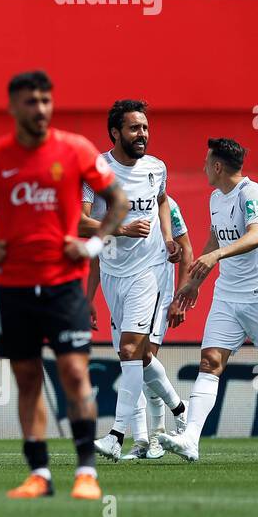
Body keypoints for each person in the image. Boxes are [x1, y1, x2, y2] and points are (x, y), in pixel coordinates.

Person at [0, 70, 128, 499]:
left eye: (46, 101)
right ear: (13, 107)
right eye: (31, 102)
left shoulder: (76, 149)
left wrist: (93, 246)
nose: (41, 109)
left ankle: (86, 472)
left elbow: (117, 200)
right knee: (27, 378)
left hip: (64, 285)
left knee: (73, 371)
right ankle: (40, 475)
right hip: (13, 287)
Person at [161, 138, 258, 466]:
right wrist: (193, 283)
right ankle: (191, 440)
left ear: (218, 167)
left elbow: (257, 235)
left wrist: (218, 255)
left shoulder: (251, 193)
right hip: (227, 296)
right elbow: (213, 238)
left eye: (207, 163)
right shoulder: (216, 197)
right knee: (209, 362)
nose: (204, 168)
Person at [80, 101, 188, 462]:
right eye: (134, 128)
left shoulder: (157, 167)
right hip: (113, 272)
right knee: (135, 358)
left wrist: (169, 238)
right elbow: (78, 223)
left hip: (151, 271)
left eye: (144, 127)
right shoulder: (96, 171)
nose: (142, 134)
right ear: (115, 132)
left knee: (131, 351)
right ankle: (176, 412)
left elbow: (161, 203)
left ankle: (117, 436)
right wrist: (122, 229)